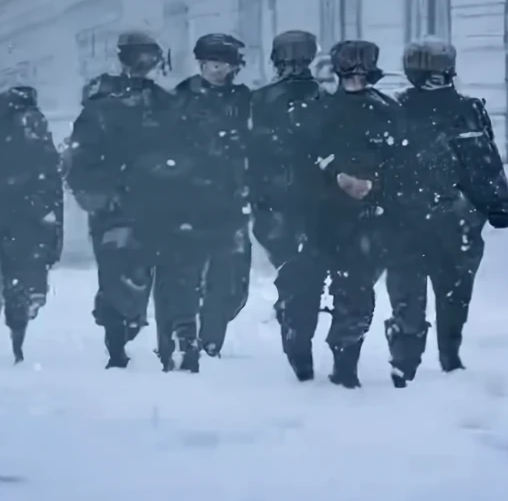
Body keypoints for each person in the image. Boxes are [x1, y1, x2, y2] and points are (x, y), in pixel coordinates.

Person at [386, 39, 508, 384]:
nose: (435, 81)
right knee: (407, 296)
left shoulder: (468, 109)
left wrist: (498, 202)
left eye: (440, 74)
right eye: (428, 75)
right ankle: (404, 361)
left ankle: (450, 357)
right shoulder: (393, 110)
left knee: (455, 294)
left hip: (456, 217)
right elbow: (381, 166)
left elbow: (484, 162)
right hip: (406, 219)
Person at [65, 31, 177, 368]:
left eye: (149, 59)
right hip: (113, 206)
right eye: (137, 58)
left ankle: (140, 329)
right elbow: (81, 157)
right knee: (116, 274)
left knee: (147, 274)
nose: (144, 67)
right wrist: (98, 194)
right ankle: (117, 345)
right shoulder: (101, 107)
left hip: (156, 202)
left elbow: (182, 148)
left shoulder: (165, 103)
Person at [305, 40, 406, 388]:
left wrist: (373, 186)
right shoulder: (320, 111)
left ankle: (345, 363)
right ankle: (317, 355)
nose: (355, 77)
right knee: (308, 290)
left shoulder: (387, 110)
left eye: (361, 70)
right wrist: (337, 176)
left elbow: (400, 162)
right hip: (326, 215)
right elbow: (305, 156)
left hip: (371, 216)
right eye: (349, 69)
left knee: (357, 289)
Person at [0, 83, 63, 363]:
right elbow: (50, 174)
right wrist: (52, 227)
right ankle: (17, 335)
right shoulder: (34, 123)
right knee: (20, 276)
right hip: (24, 216)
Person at [249, 30, 325, 381]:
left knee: (299, 268)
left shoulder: (323, 99)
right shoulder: (259, 101)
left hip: (306, 199)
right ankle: (293, 318)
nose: (294, 68)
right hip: (276, 198)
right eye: (288, 61)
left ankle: (295, 324)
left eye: (299, 61)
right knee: (293, 266)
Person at [174, 33, 251, 358]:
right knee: (186, 273)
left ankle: (213, 327)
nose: (220, 71)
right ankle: (192, 335)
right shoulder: (181, 98)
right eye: (214, 64)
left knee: (232, 278)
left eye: (227, 65)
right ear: (202, 64)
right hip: (189, 200)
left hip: (232, 199)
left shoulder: (244, 98)